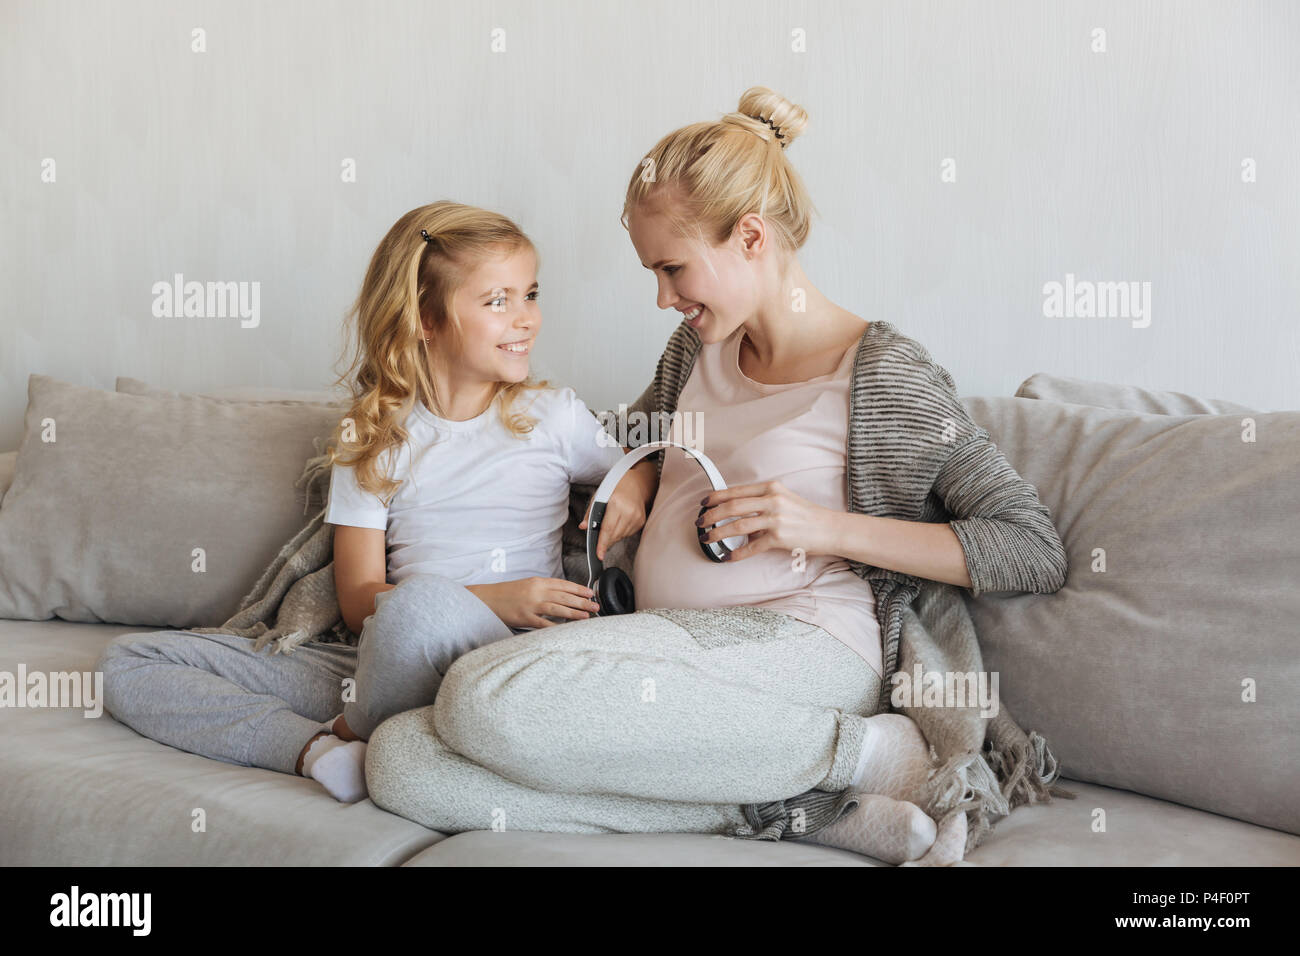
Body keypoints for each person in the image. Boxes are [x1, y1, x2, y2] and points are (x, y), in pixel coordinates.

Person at [364, 87, 1067, 865]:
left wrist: (820, 526)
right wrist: (633, 478)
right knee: (399, 760)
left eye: (673, 269)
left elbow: (1029, 548)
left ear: (752, 237)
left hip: (800, 649)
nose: (663, 298)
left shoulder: (884, 376)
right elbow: (628, 446)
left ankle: (863, 754)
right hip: (670, 649)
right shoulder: (693, 353)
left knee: (479, 696)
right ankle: (794, 809)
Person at [98, 201, 641, 804]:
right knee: (130, 661)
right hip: (381, 662)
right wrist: (494, 595)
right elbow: (360, 605)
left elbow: (642, 471)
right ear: (425, 320)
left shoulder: (553, 416)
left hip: (499, 661)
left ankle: (358, 733)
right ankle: (321, 749)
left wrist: (636, 485)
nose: (527, 319)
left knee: (422, 608)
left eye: (530, 294)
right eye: (498, 301)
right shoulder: (376, 437)